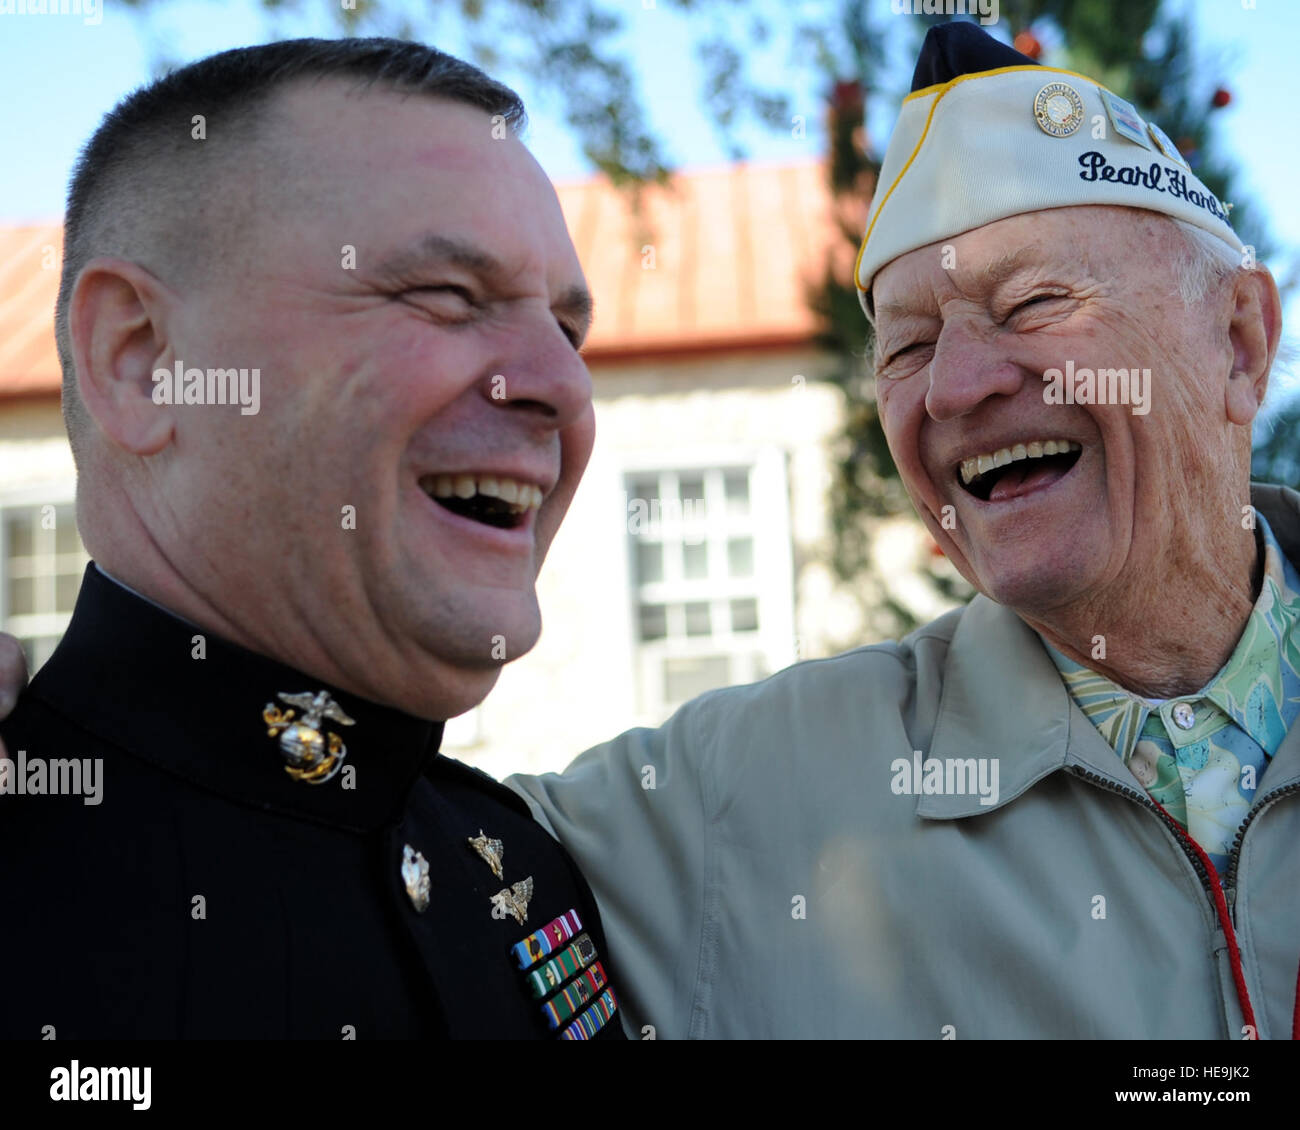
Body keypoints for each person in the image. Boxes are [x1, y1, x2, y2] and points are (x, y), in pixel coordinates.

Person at [505, 23, 1299, 1038]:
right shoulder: (729, 798)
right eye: (907, 346)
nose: (955, 386)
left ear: (1238, 343)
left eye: (1034, 300)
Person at [0, 38, 623, 1040]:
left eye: (565, 328)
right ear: (143, 360)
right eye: (449, 296)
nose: (562, 387)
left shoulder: (510, 866)